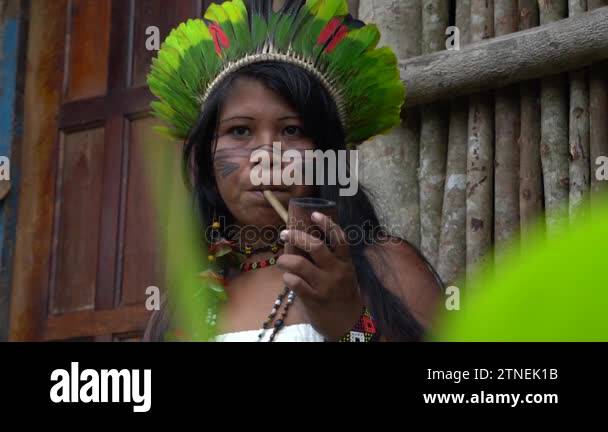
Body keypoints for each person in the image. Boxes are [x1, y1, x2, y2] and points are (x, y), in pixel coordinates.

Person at [144, 0, 443, 342]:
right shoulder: (184, 304)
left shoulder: (387, 269)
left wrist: (350, 322)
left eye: (292, 131)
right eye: (240, 131)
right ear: (207, 161)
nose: (267, 157)